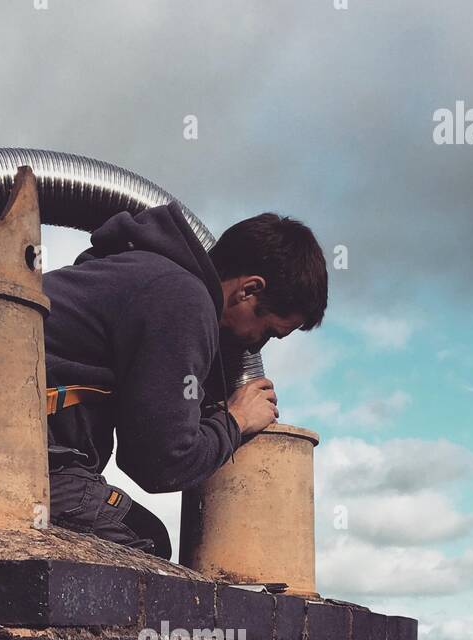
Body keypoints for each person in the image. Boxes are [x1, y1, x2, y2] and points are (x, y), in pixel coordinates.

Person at [42, 209, 327, 557]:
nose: (257, 346)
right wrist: (235, 420)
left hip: (22, 452)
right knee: (143, 542)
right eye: (268, 331)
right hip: (22, 463)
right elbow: (159, 463)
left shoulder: (146, 273)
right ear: (249, 290)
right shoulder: (181, 299)